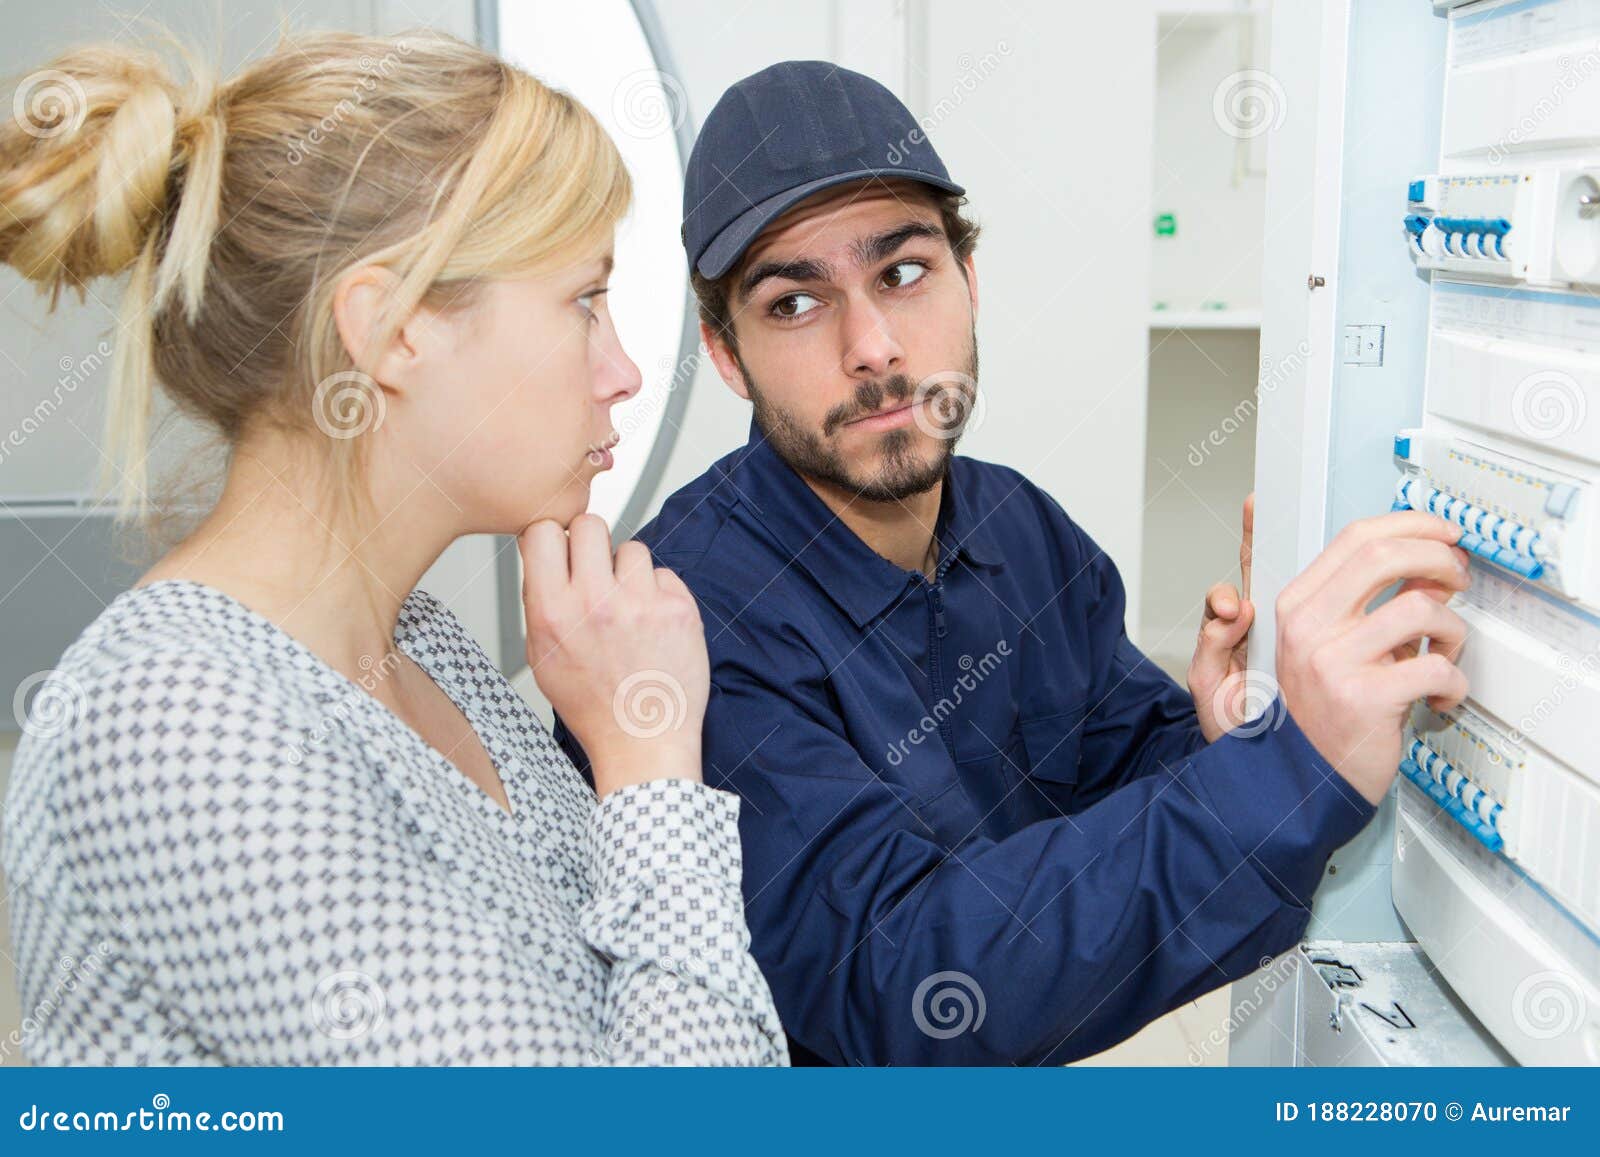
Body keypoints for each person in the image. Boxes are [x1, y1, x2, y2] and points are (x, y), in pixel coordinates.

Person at [556, 61, 1471, 1066]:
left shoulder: (1019, 530)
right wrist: (1290, 776)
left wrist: (1228, 736)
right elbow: (903, 984)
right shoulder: (685, 621)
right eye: (792, 302)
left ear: (969, 279)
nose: (871, 345)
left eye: (903, 273)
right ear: (725, 353)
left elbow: (1123, 784)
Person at [0, 31, 785, 1066]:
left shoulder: (423, 649)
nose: (624, 370)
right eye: (583, 301)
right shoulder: (173, 726)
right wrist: (648, 764)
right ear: (392, 328)